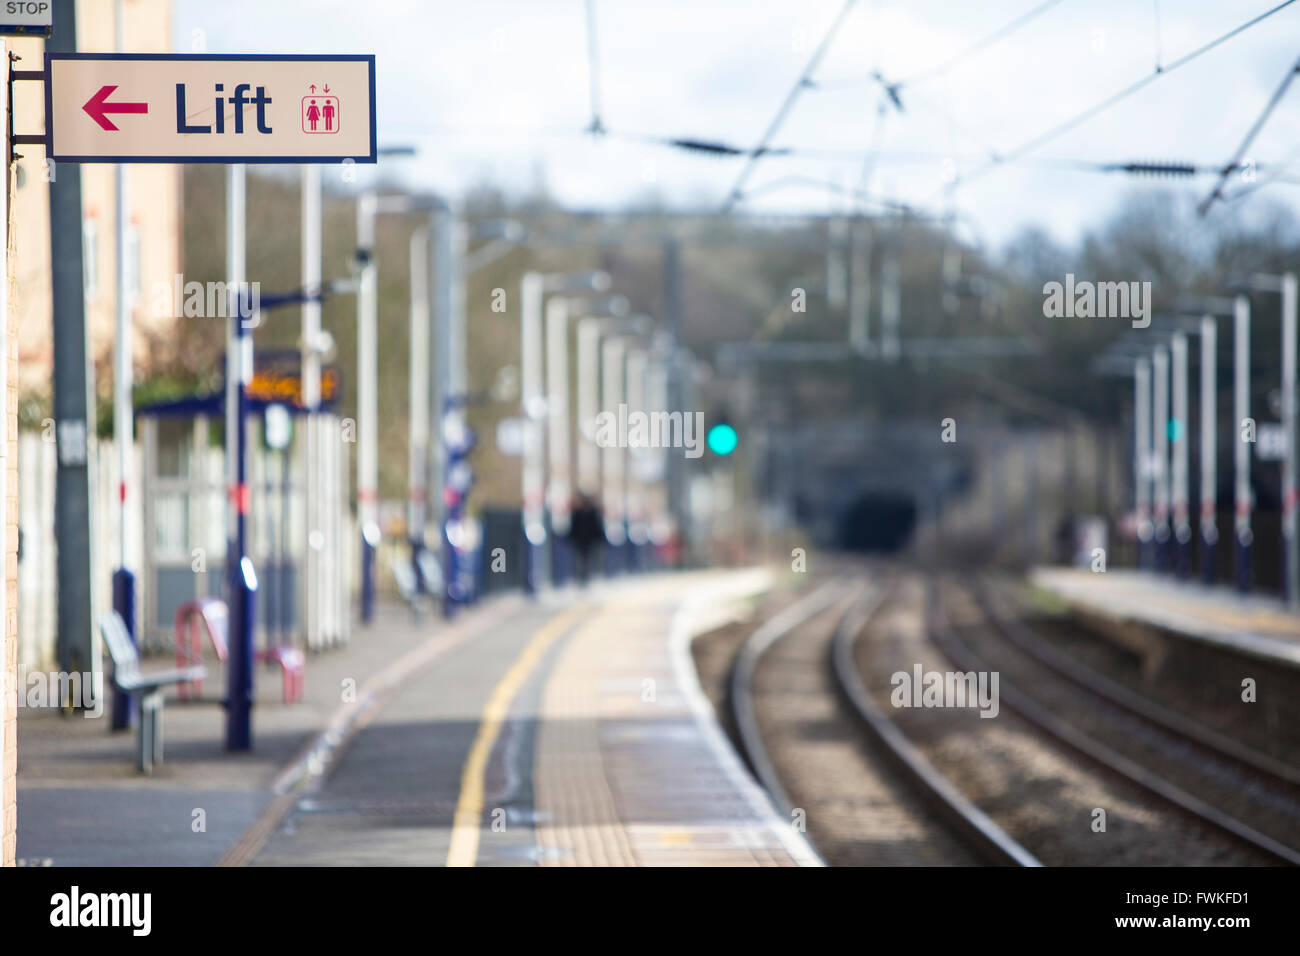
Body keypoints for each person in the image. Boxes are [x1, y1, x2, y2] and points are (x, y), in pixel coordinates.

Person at [568, 493, 605, 585]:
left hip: (588, 540)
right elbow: (574, 527)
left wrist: (600, 538)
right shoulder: (578, 513)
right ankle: (582, 577)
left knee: (586, 558)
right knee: (581, 558)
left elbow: (596, 527)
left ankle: (585, 576)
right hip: (581, 540)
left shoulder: (592, 513)